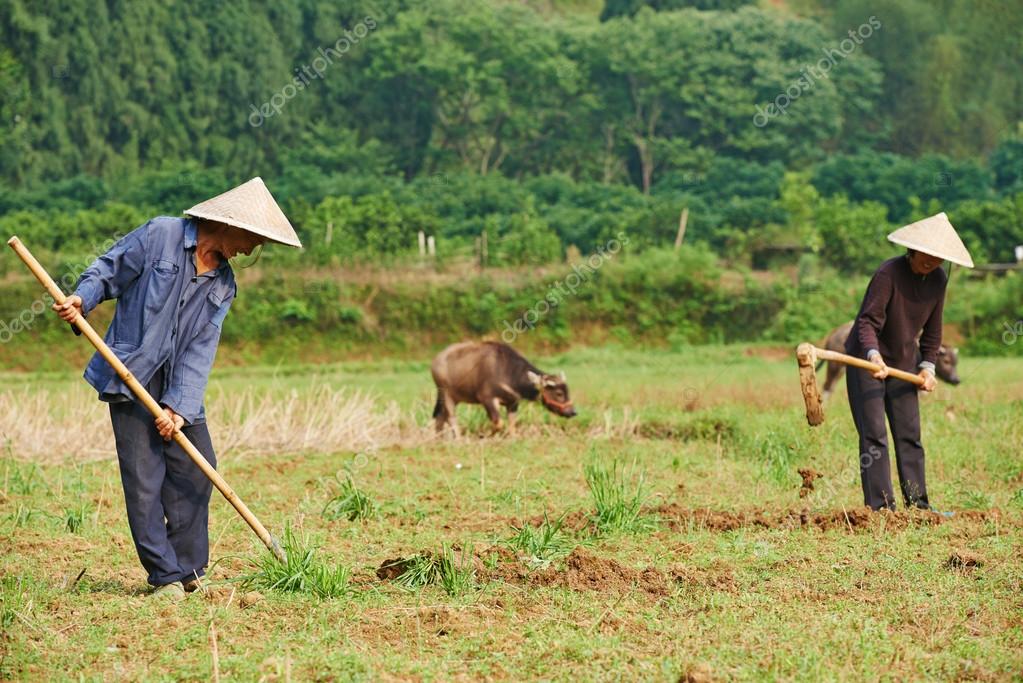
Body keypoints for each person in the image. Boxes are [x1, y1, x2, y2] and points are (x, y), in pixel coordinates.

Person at [52, 178, 302, 600]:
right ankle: (165, 577)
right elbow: (108, 270)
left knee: (197, 468)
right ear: (229, 225)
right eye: (251, 240)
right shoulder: (160, 235)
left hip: (179, 386)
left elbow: (200, 350)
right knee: (144, 479)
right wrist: (82, 298)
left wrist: (179, 410)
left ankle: (189, 571)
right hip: (130, 371)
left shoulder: (224, 285)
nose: (250, 250)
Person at [844, 212, 973, 512]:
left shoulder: (938, 279)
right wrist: (873, 357)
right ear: (912, 250)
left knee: (909, 434)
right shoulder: (887, 274)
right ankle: (881, 509)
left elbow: (933, 330)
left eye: (938, 257)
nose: (931, 261)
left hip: (903, 362)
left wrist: (927, 366)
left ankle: (918, 506)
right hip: (867, 359)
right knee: (874, 434)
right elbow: (867, 323)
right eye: (926, 255)